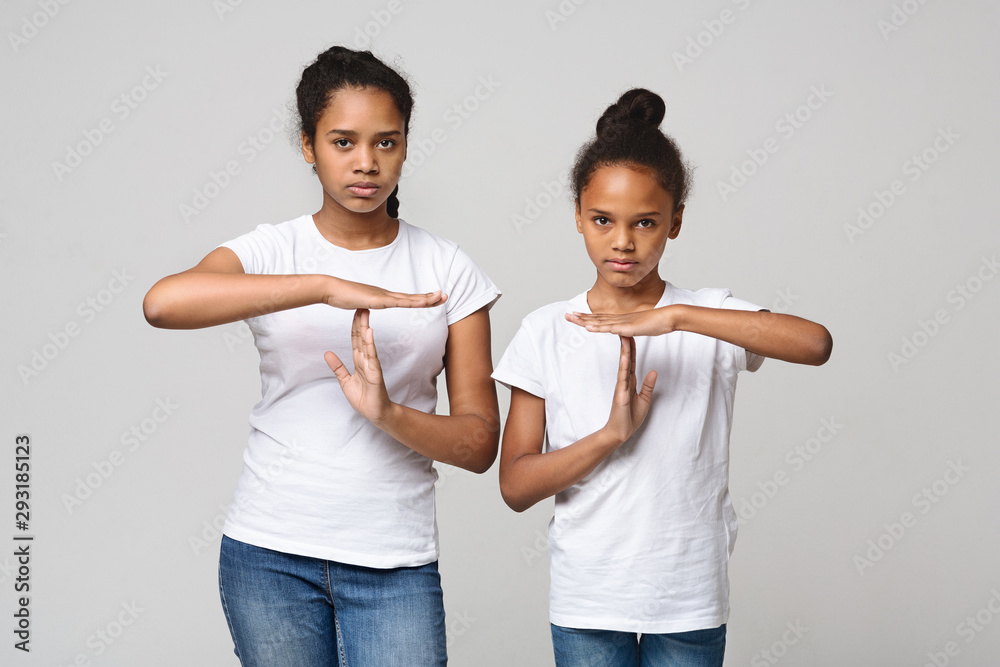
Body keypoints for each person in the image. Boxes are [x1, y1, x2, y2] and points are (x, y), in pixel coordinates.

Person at [143, 46, 500, 666]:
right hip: (269, 554)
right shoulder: (272, 248)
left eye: (386, 143)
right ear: (308, 146)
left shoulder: (447, 269)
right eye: (343, 142)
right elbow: (163, 304)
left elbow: (478, 444)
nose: (366, 163)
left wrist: (389, 414)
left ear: (406, 147)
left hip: (395, 560)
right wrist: (323, 285)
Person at [492, 88, 832, 667]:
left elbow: (815, 343)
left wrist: (674, 317)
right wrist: (608, 437)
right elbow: (516, 486)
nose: (623, 242)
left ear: (675, 222)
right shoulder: (547, 329)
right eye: (603, 220)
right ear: (578, 216)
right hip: (589, 602)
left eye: (645, 222)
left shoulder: (709, 316)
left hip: (689, 599)